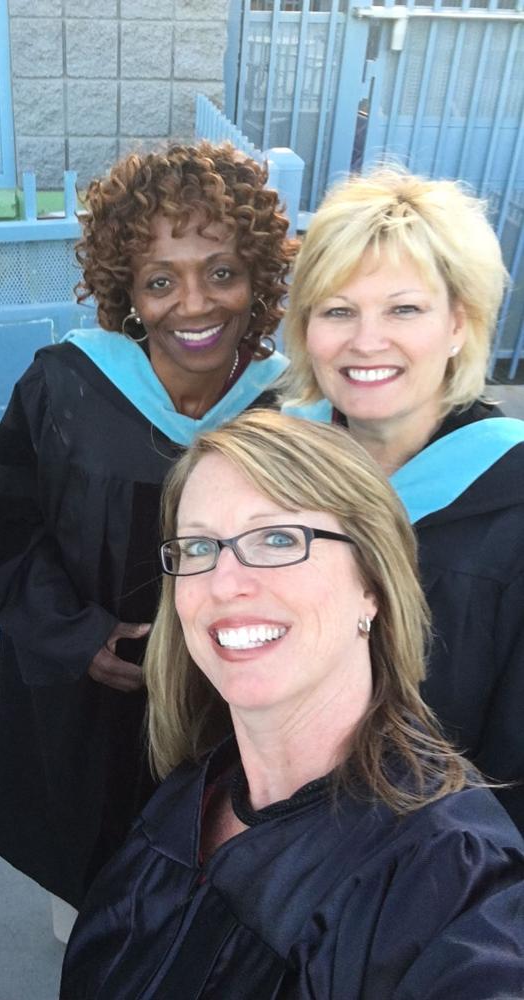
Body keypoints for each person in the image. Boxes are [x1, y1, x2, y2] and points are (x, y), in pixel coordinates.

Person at [60, 410, 524, 999]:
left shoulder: (450, 877)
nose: (224, 583)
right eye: (200, 546)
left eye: (278, 538)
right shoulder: (197, 786)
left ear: (373, 583)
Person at [0, 142, 295, 915]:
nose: (194, 304)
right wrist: (76, 636)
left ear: (257, 275)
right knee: (91, 878)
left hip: (231, 709)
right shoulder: (65, 389)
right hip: (93, 710)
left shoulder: (288, 410)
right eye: (159, 281)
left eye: (221, 271)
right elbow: (2, 528)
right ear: (128, 293)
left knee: (218, 882)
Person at [282, 169, 524, 831]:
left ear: (458, 325)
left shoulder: (511, 502)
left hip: (436, 875)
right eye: (337, 310)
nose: (366, 341)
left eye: (403, 309)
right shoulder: (274, 465)